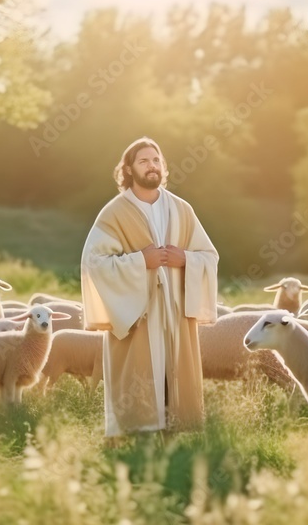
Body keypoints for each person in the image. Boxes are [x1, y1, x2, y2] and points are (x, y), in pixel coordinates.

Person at [80, 136, 219, 437]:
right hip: (137, 317)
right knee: (139, 386)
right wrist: (141, 260)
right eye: (143, 161)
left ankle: (178, 441)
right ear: (128, 169)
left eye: (156, 160)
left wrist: (186, 259)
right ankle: (136, 441)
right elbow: (94, 263)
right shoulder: (114, 213)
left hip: (176, 316)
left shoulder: (182, 210)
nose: (152, 166)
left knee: (177, 386)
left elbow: (209, 256)